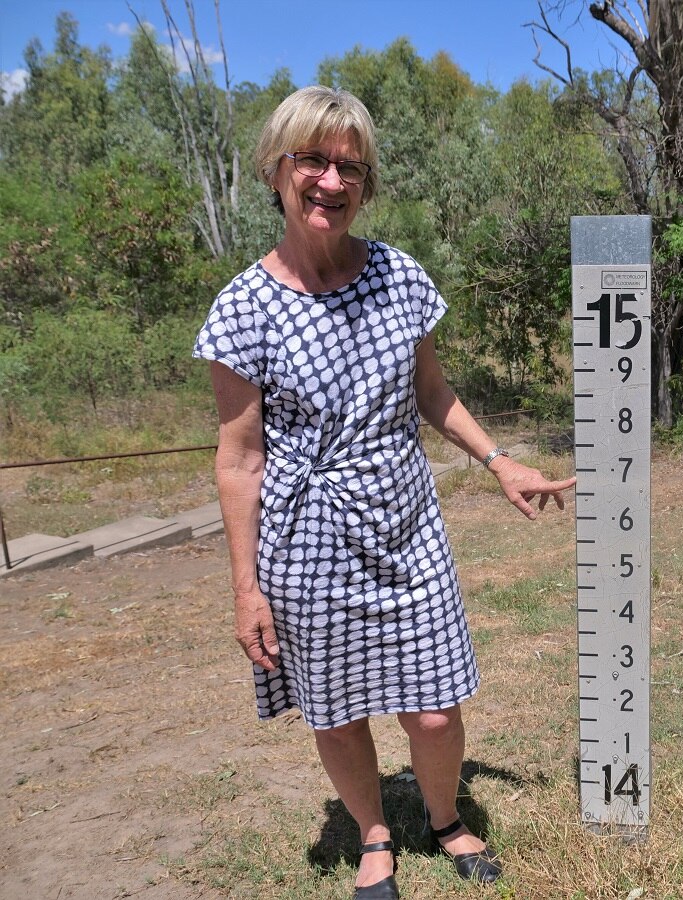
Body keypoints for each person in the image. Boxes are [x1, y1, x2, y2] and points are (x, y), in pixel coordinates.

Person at [193, 85, 575, 898]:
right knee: (335, 709)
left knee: (434, 707)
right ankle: (372, 833)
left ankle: (445, 818)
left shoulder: (399, 276)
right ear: (276, 169)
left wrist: (498, 460)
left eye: (351, 167)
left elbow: (431, 392)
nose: (331, 182)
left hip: (406, 526)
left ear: (365, 184)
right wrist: (246, 589)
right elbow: (240, 459)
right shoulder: (242, 308)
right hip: (305, 540)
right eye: (313, 160)